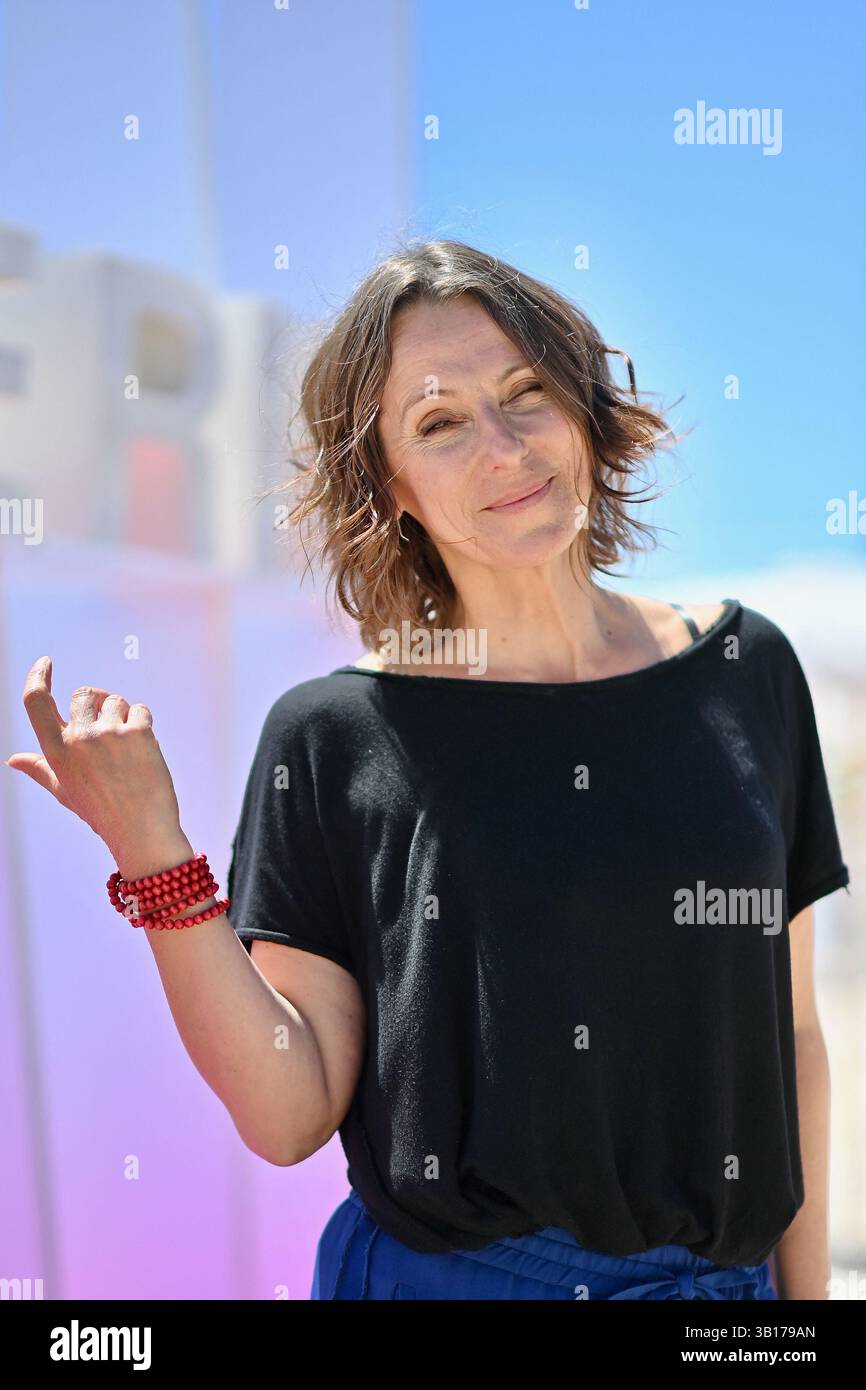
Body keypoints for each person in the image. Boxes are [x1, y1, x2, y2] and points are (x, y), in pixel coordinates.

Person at [8, 240, 850, 1301]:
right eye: (438, 422)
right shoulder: (333, 734)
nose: (502, 447)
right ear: (389, 485)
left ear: (584, 408)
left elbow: (794, 1039)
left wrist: (801, 1309)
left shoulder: (747, 667)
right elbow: (288, 1111)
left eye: (525, 392)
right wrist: (153, 855)